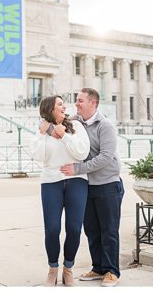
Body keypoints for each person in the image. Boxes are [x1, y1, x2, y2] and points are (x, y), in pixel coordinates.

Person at [60, 88, 123, 287]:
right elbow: (54, 121)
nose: (77, 103)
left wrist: (77, 169)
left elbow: (105, 157)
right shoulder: (76, 121)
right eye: (77, 100)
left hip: (108, 184)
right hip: (88, 185)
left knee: (109, 230)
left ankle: (112, 271)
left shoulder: (105, 126)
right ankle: (98, 268)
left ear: (93, 103)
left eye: (80, 100)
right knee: (92, 230)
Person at [30, 95, 90, 286]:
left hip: (76, 181)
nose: (64, 107)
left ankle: (68, 269)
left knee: (74, 228)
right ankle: (53, 269)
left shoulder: (76, 127)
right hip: (50, 182)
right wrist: (42, 134)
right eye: (59, 104)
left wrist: (64, 135)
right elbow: (38, 156)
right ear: (50, 109)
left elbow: (82, 153)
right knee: (52, 229)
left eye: (64, 104)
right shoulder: (42, 131)